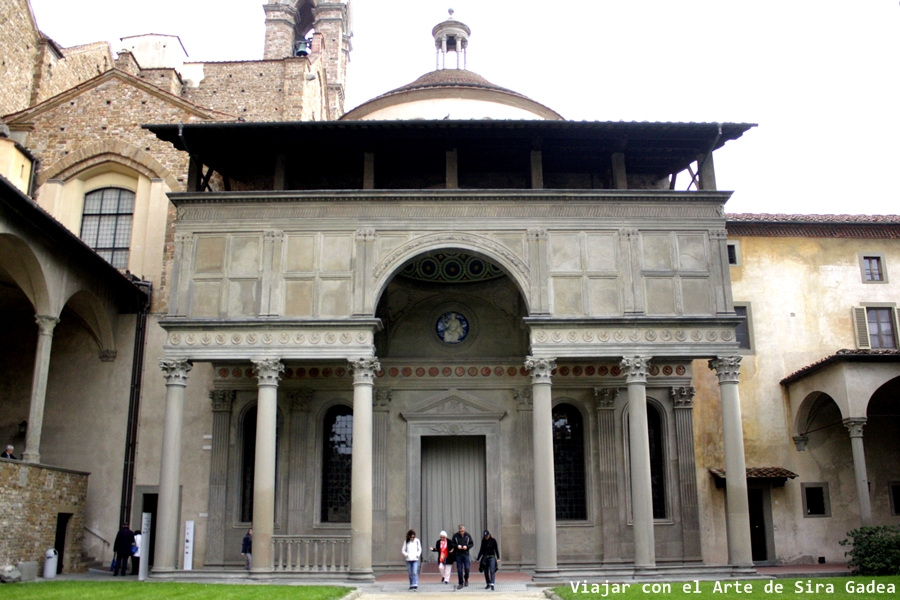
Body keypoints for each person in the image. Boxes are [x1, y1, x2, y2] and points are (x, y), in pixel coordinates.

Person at [451, 524, 474, 589]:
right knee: (460, 569)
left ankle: (466, 578)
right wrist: (456, 546)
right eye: (460, 531)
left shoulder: (468, 535)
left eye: (463, 531)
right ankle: (460, 583)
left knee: (467, 568)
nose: (461, 532)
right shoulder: (455, 536)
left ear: (464, 530)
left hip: (466, 554)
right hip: (458, 554)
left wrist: (467, 547)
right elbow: (452, 543)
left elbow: (471, 543)